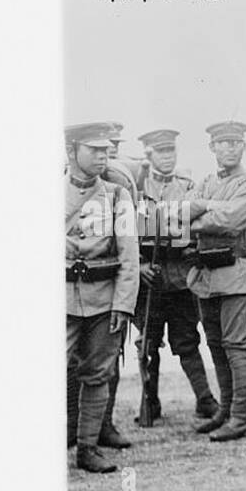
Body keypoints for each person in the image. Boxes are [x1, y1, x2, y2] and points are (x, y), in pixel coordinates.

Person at [177, 120, 246, 441]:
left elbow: (231, 220)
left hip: (233, 273)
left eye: (235, 143)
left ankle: (241, 418)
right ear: (211, 147)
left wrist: (197, 215)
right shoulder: (204, 183)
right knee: (215, 345)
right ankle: (225, 410)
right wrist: (201, 207)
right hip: (204, 276)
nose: (229, 148)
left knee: (237, 346)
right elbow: (175, 215)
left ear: (244, 146)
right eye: (222, 143)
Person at [65, 122, 140, 473]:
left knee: (97, 374)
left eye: (105, 149)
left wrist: (124, 304)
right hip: (60, 299)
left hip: (104, 300)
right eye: (93, 149)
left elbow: (130, 256)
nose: (102, 155)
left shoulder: (117, 196)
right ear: (72, 151)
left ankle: (88, 448)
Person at [133, 128, 220, 422]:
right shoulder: (135, 187)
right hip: (149, 280)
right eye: (161, 152)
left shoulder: (187, 186)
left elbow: (196, 224)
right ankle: (150, 402)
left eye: (171, 151)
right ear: (149, 154)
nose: (168, 157)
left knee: (187, 341)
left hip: (181, 277)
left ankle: (205, 400)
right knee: (148, 343)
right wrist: (140, 266)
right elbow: (124, 234)